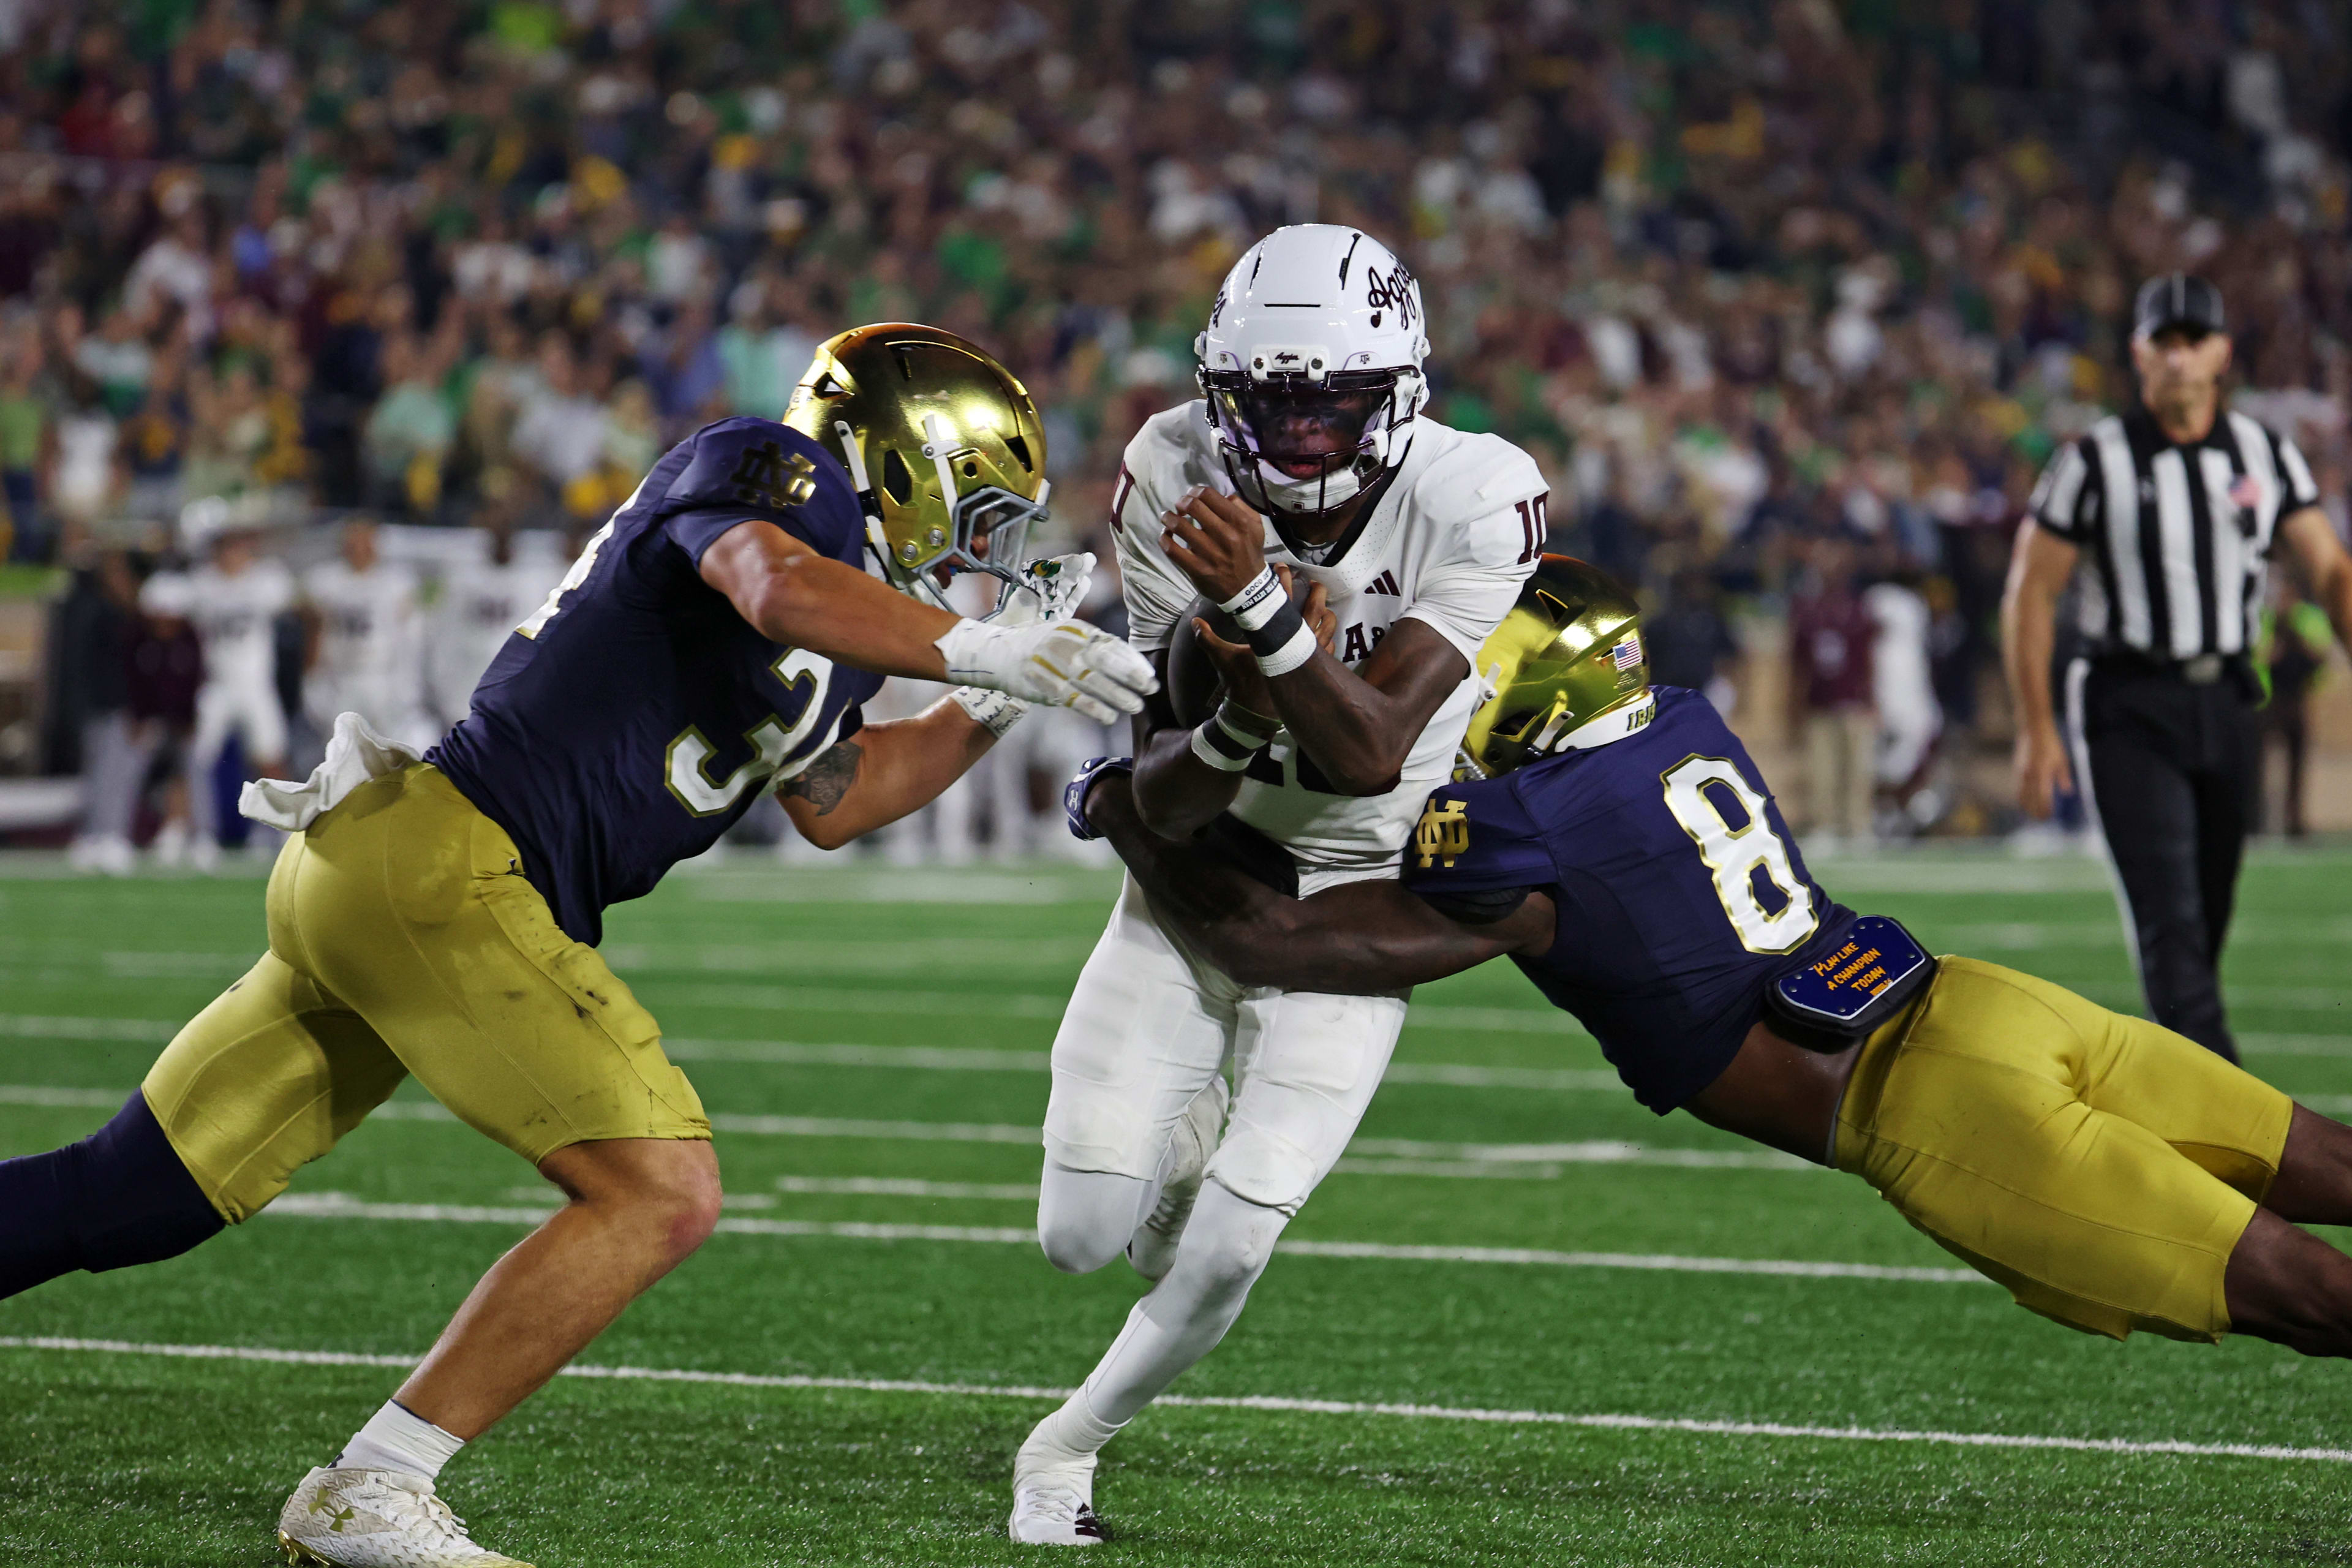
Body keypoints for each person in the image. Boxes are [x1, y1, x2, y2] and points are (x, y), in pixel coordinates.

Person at [0, 324, 1153, 1568]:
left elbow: (842, 801)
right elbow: (775, 586)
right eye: (973, 503)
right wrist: (978, 642)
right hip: (448, 861)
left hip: (391, 876)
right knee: (662, 1188)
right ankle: (375, 1486)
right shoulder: (777, 471)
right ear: (899, 460)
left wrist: (990, 699)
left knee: (138, 1192)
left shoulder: (846, 633)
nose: (978, 543)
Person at [1066, 559, 2352, 1534]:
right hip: (1993, 1000)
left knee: (2308, 1296)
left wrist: (1128, 811)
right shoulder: (1681, 716)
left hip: (1940, 1110)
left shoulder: (1521, 835)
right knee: (2332, 1163)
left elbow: (1269, 941)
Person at [1010, 225, 1548, 1545]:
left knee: (1236, 1243)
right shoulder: (1166, 464)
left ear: (1402, 390)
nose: (1303, 437)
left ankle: (1065, 1446)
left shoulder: (1479, 493)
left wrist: (1255, 605)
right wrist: (1239, 719)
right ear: (1221, 389)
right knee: (1082, 1233)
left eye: (1335, 404)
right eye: (1274, 403)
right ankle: (1179, 1146)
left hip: (1368, 876)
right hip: (1206, 863)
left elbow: (1367, 752)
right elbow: (1158, 786)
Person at [2003, 274, 2352, 1061]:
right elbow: (2032, 591)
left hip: (2229, 700)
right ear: (2139, 354)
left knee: (2206, 922)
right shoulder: (2095, 460)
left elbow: (2330, 569)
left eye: (2196, 341)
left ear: (2223, 352)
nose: (2181, 358)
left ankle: (2192, 1096)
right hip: (2128, 702)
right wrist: (2036, 725)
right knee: (2172, 929)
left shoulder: (2264, 454)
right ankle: (2235, 1135)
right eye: (2165, 342)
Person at [140, 499, 295, 869]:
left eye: (237, 545)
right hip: (214, 686)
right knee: (194, 758)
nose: (232, 554)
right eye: (225, 546)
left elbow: (293, 601)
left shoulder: (265, 581)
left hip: (256, 684)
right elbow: (154, 603)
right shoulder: (201, 583)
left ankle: (287, 829)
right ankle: (178, 828)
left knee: (271, 759)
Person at [301, 517, 437, 753]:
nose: (358, 548)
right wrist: (313, 676)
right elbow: (314, 631)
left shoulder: (396, 581)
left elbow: (411, 636)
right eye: (353, 541)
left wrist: (408, 680)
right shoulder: (326, 579)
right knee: (340, 753)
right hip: (341, 678)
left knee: (394, 749)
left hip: (382, 677)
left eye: (364, 541)